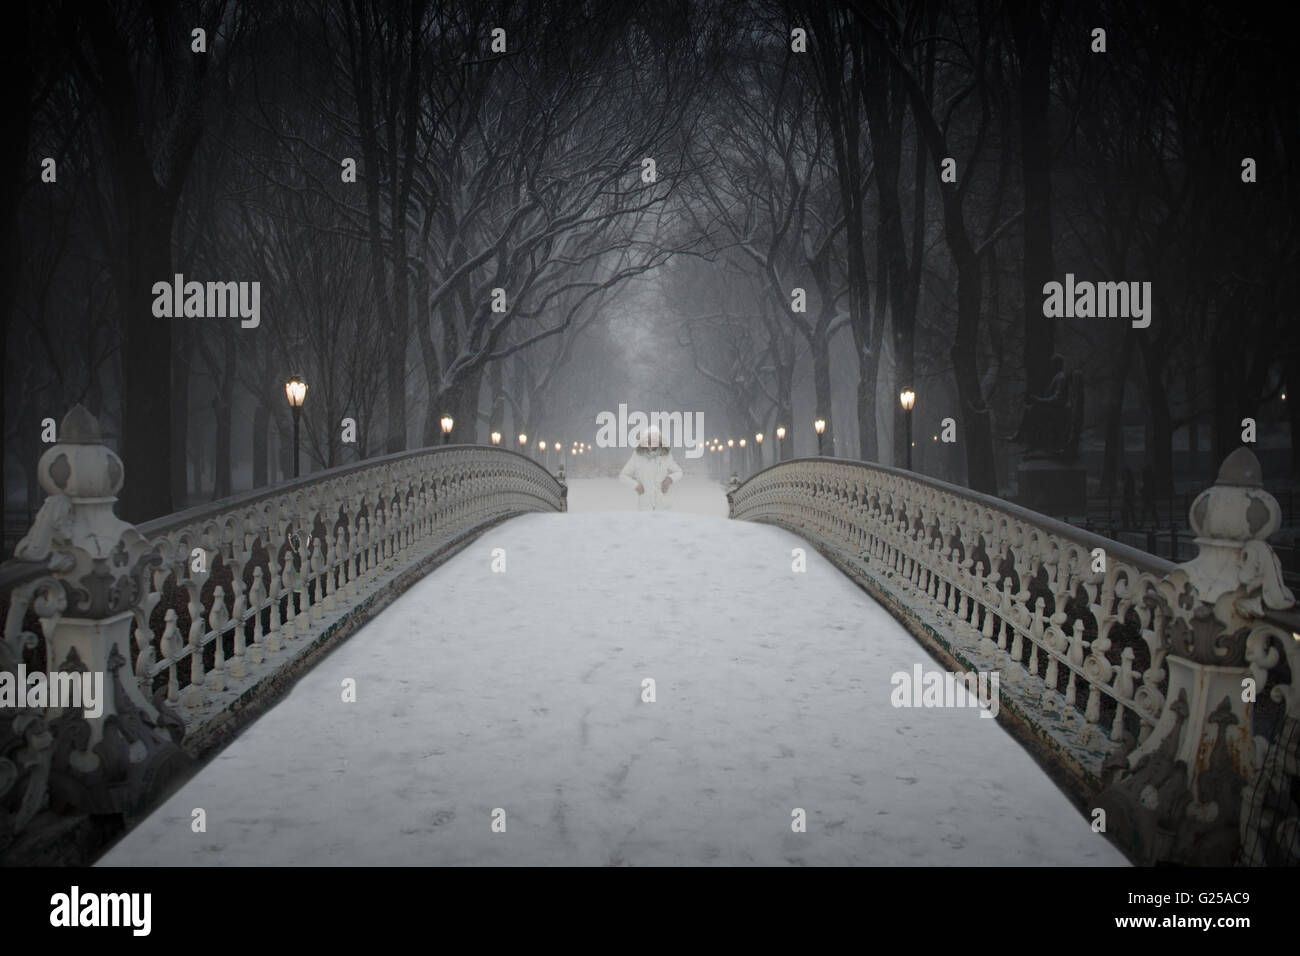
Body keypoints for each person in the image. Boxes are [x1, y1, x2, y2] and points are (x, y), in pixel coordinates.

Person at [619, 426, 683, 511]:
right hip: (644, 506)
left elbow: (679, 472)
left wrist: (669, 479)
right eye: (648, 439)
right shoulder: (638, 456)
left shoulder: (665, 456)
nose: (651, 442)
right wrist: (636, 486)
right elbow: (623, 476)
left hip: (664, 506)